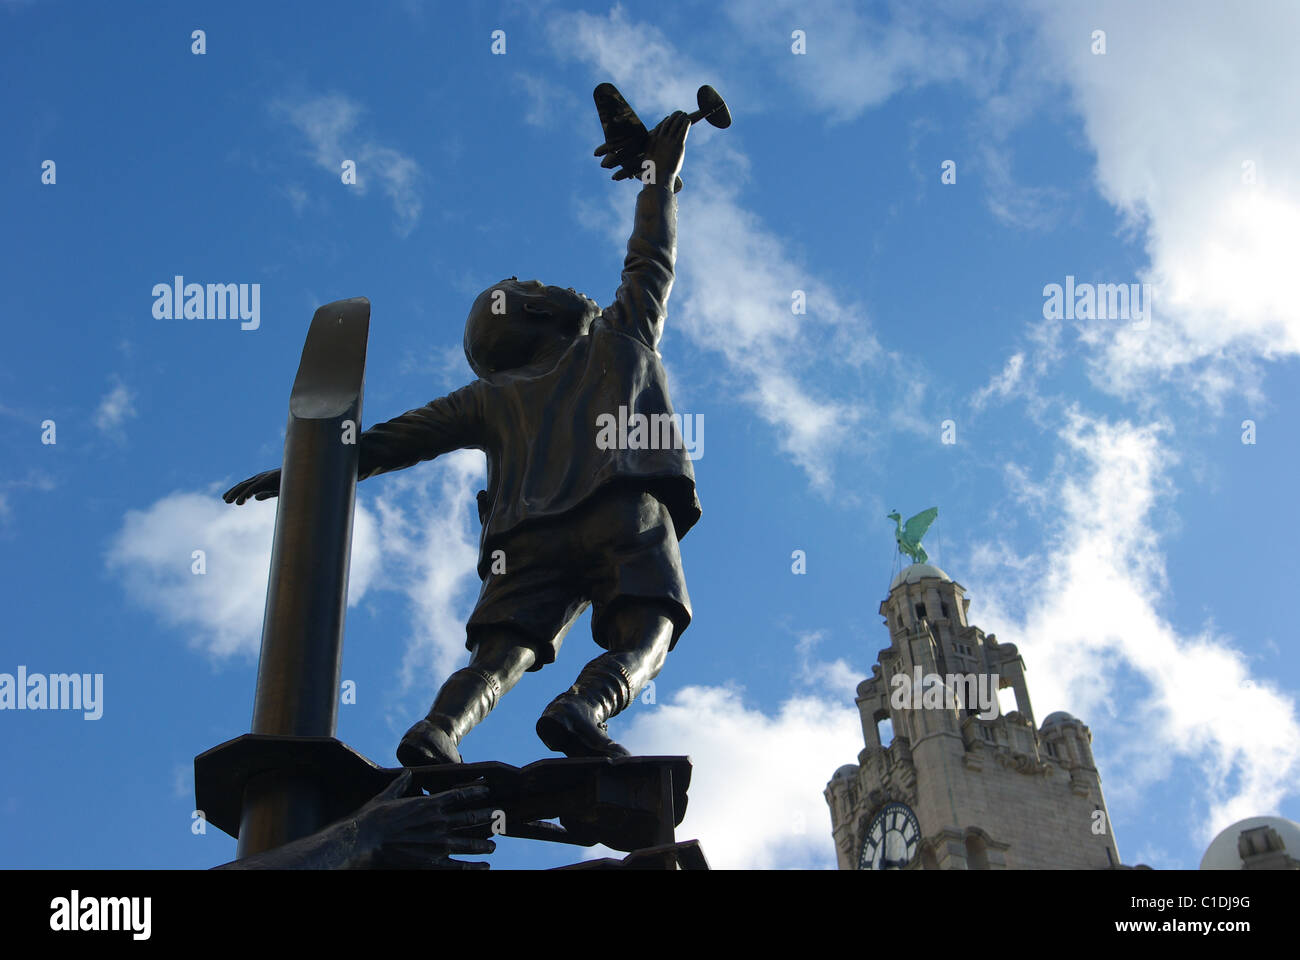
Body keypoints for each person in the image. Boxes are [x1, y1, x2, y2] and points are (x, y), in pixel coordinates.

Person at [225, 112, 699, 766]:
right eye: (531, 286)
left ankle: (440, 728)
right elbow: (651, 255)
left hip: (525, 539)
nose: (547, 284)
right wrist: (659, 177)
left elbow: (392, 441)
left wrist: (302, 471)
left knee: (503, 649)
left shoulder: (488, 397)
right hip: (622, 511)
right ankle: (585, 707)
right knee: (651, 625)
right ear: (535, 313)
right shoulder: (618, 336)